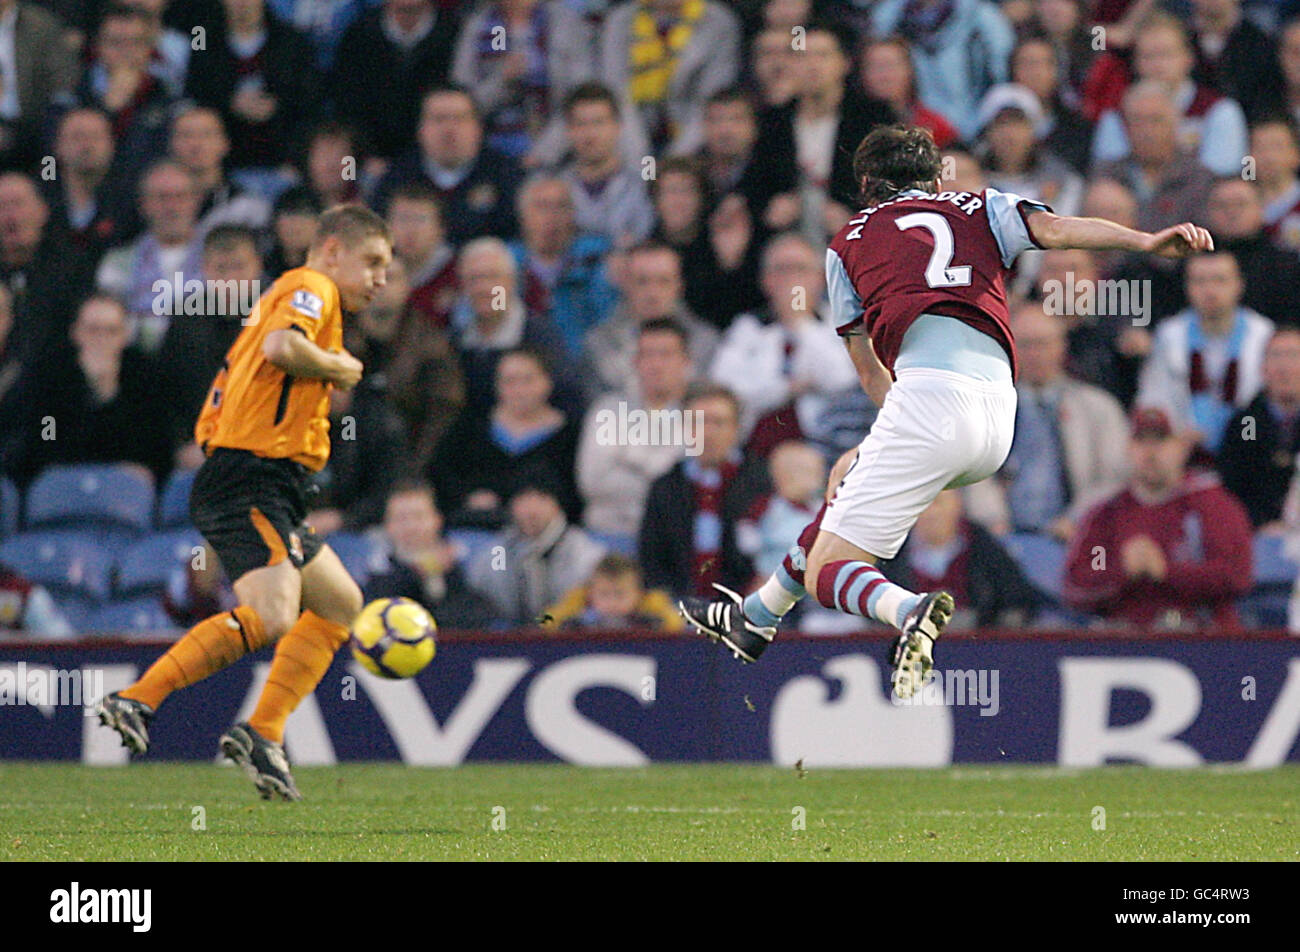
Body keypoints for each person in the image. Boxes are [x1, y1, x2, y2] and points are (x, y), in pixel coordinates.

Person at [679, 123, 1212, 699]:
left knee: (828, 570)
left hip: (929, 400)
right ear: (937, 178)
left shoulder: (844, 245)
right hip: (998, 417)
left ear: (864, 186)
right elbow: (1058, 230)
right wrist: (1146, 241)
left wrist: (887, 434)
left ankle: (909, 610)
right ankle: (757, 617)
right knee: (842, 503)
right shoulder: (981, 206)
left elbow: (869, 372)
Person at [96, 205, 392, 802]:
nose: (381, 279)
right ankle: (137, 698)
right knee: (276, 615)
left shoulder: (299, 295)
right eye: (374, 262)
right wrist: (338, 366)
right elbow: (285, 347)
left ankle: (263, 731)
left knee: (339, 604)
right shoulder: (312, 286)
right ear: (332, 249)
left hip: (271, 482)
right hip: (249, 477)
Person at [1064, 406, 1253, 629]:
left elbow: (1236, 576)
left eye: (1161, 441)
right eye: (1141, 442)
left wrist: (1166, 571)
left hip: (1201, 637)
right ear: (1128, 448)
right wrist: (1121, 571)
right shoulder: (1107, 514)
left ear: (1182, 447)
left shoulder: (1212, 505)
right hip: (1125, 640)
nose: (1150, 452)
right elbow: (1077, 585)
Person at [544, 553, 683, 630]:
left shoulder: (654, 611)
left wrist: (651, 608)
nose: (612, 602)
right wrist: (577, 604)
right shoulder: (577, 605)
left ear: (638, 594)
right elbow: (546, 623)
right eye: (604, 594)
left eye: (620, 594)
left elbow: (676, 625)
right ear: (590, 593)